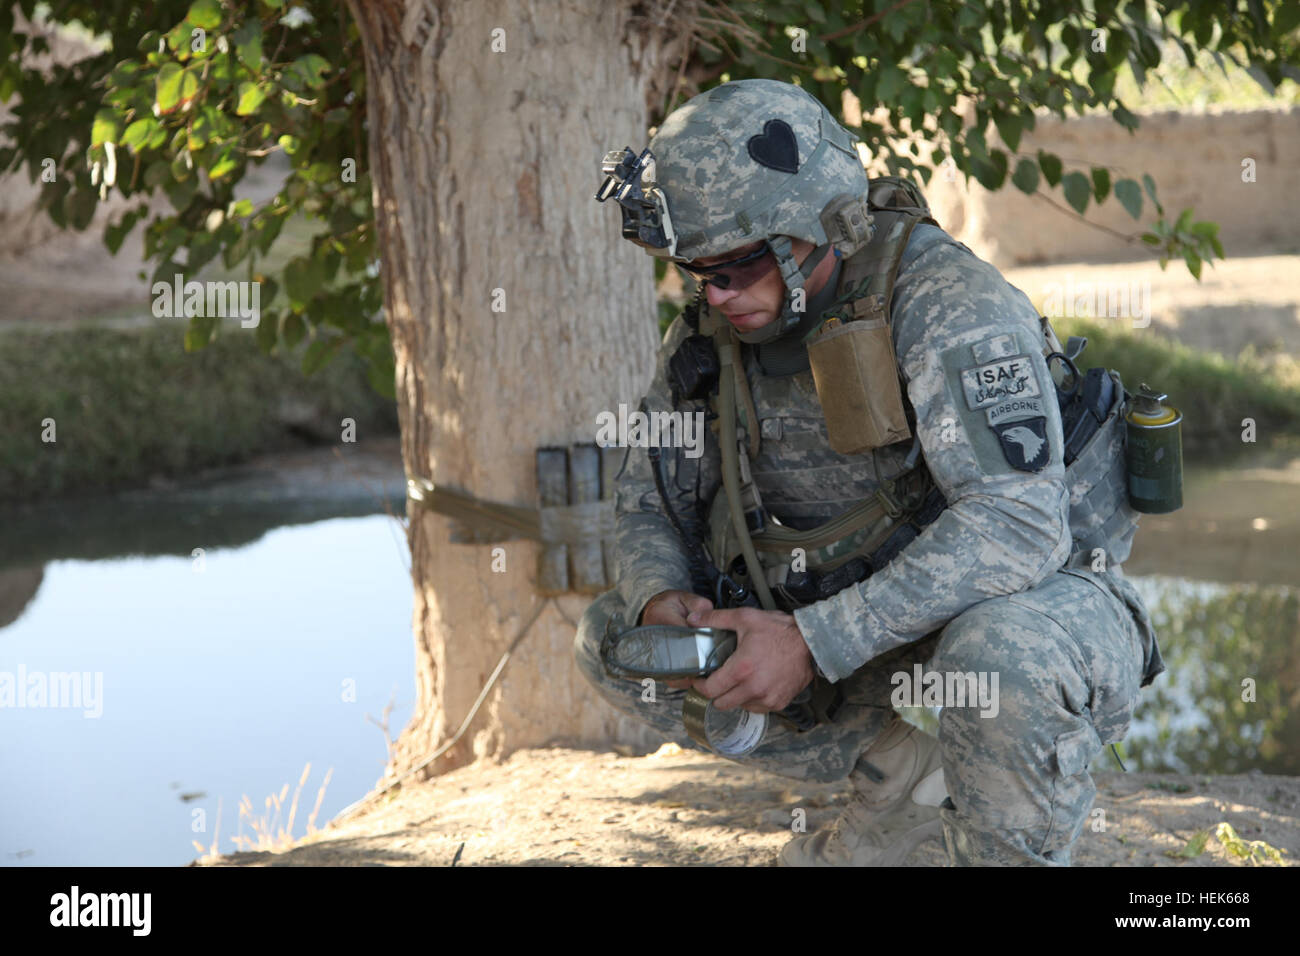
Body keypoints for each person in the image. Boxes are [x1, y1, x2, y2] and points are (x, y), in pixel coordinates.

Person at [576, 78, 1164, 866]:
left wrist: (813, 643)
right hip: (851, 617)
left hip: (1028, 610)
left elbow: (1017, 525)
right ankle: (900, 783)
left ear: (815, 231)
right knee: (617, 640)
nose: (715, 295)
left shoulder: (946, 302)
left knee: (998, 659)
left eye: (735, 267)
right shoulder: (709, 333)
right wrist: (660, 597)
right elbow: (648, 500)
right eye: (695, 271)